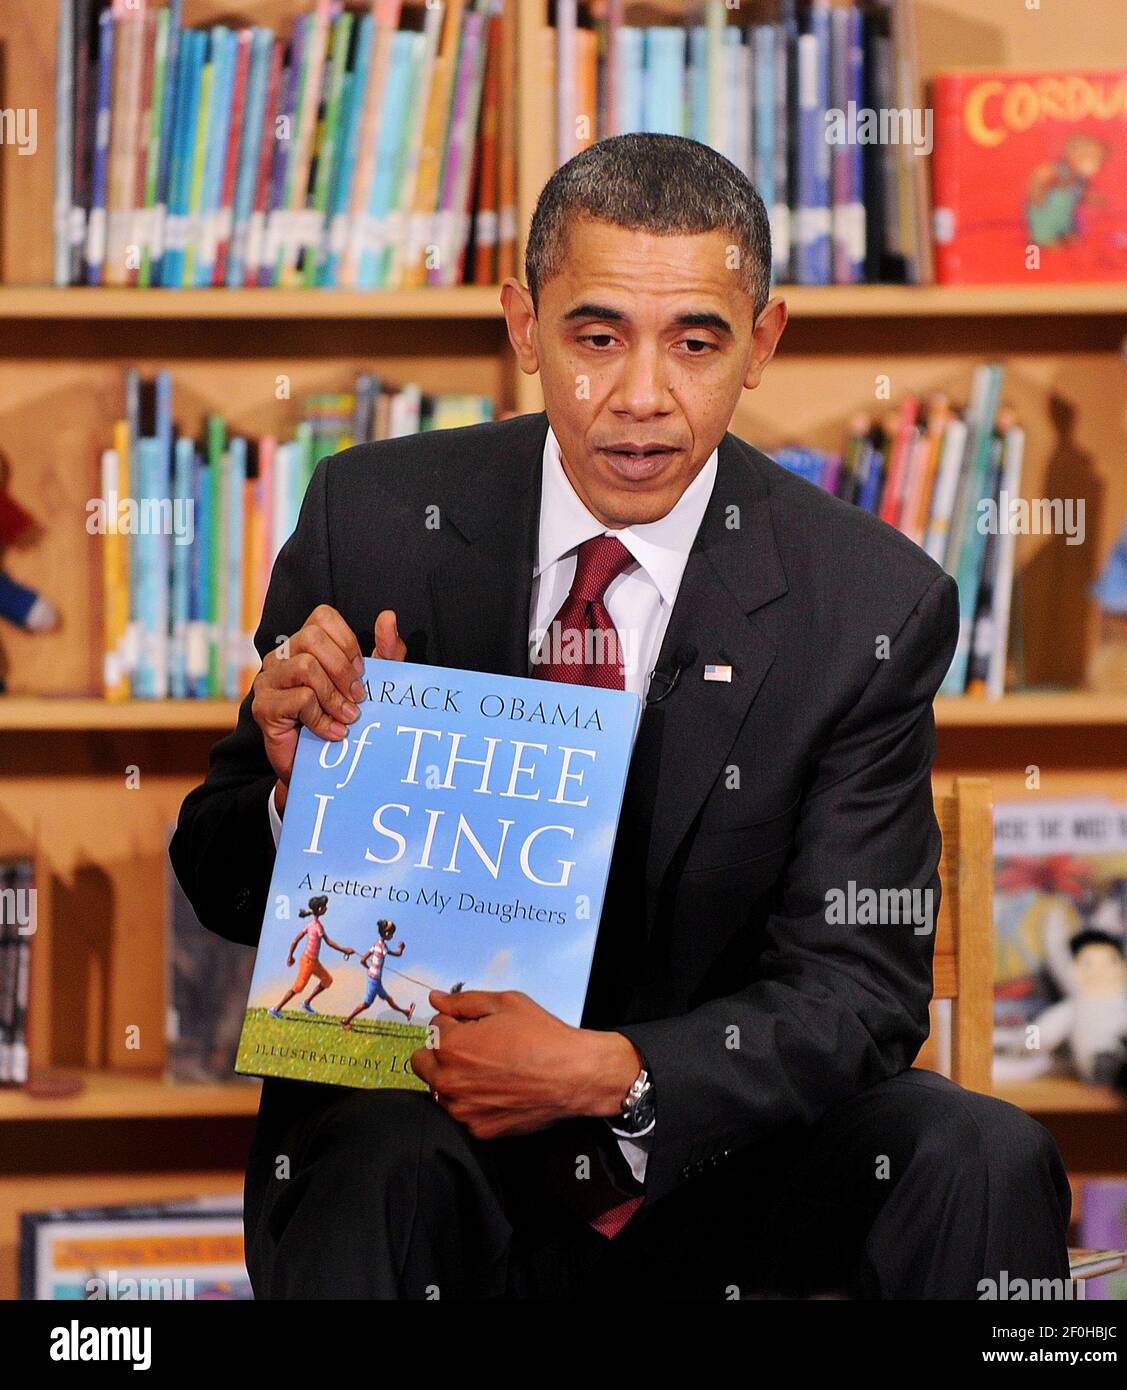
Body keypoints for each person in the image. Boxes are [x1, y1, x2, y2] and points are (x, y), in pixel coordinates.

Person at [170, 132, 1072, 1300]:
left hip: (724, 1159)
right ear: (522, 325)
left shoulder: (871, 602)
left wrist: (613, 1072)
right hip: (440, 1146)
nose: (641, 397)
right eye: (596, 337)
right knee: (372, 1160)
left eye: (696, 342)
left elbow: (858, 989)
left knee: (979, 1152)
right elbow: (219, 871)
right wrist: (299, 792)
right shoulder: (380, 514)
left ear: (763, 342)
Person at [267, 895, 353, 1019]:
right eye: (324, 907)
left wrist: (290, 956)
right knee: (298, 987)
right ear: (319, 909)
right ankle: (275, 1009)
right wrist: (344, 950)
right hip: (307, 962)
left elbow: (295, 941)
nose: (326, 909)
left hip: (314, 962)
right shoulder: (317, 926)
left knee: (327, 980)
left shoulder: (311, 925)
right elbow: (328, 943)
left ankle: (306, 1003)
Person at [341, 920, 415, 1030]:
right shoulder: (383, 947)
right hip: (375, 980)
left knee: (389, 999)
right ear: (386, 934)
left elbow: (362, 960)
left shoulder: (376, 944)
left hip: (375, 979)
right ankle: (346, 1021)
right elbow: (397, 954)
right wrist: (401, 949)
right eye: (391, 933)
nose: (392, 936)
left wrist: (369, 969)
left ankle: (406, 1012)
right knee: (366, 1004)